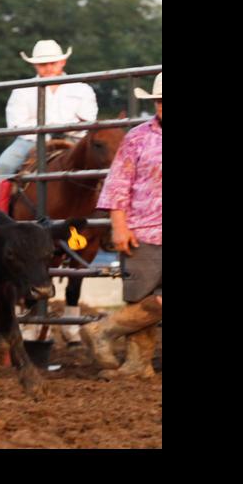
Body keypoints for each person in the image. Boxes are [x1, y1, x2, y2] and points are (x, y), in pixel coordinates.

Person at [82, 74, 162, 377]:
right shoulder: (138, 137)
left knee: (151, 299)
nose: (162, 105)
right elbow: (118, 183)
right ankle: (138, 364)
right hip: (142, 229)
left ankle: (103, 330)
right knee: (141, 296)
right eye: (159, 100)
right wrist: (119, 226)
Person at [0, 40, 98, 176]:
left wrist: (56, 129)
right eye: (43, 64)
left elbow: (88, 119)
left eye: (53, 63)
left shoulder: (82, 89)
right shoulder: (22, 91)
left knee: (103, 167)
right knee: (1, 170)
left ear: (62, 62)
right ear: (35, 65)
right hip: (31, 141)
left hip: (75, 139)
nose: (48, 68)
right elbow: (16, 124)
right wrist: (52, 130)